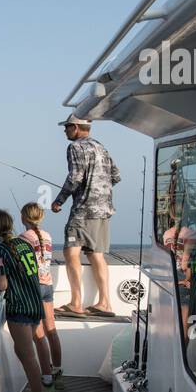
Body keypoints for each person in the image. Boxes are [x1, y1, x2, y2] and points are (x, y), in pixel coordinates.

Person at [50, 116, 120, 317]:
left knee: (71, 253)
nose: (64, 131)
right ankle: (105, 303)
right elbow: (115, 175)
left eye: (66, 128)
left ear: (75, 127)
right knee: (96, 254)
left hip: (83, 211)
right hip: (104, 210)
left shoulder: (75, 148)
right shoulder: (101, 147)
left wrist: (59, 201)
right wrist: (98, 188)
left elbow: (75, 177)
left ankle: (76, 303)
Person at [0, 208, 49, 392]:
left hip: (19, 309)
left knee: (27, 356)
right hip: (35, 306)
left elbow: (2, 285)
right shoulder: (26, 244)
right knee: (24, 353)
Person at [19, 202, 63, 392]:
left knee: (39, 337)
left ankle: (46, 382)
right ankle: (58, 372)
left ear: (24, 218)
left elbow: (22, 266)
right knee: (51, 330)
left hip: (34, 288)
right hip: (47, 286)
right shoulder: (47, 236)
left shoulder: (23, 238)